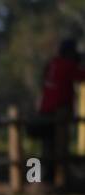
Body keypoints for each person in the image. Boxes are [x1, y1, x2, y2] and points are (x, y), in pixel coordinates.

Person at [35, 39, 85, 185]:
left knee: (47, 147)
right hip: (57, 111)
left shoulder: (53, 63)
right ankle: (58, 179)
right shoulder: (67, 64)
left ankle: (47, 178)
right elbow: (81, 77)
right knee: (59, 147)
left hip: (46, 110)